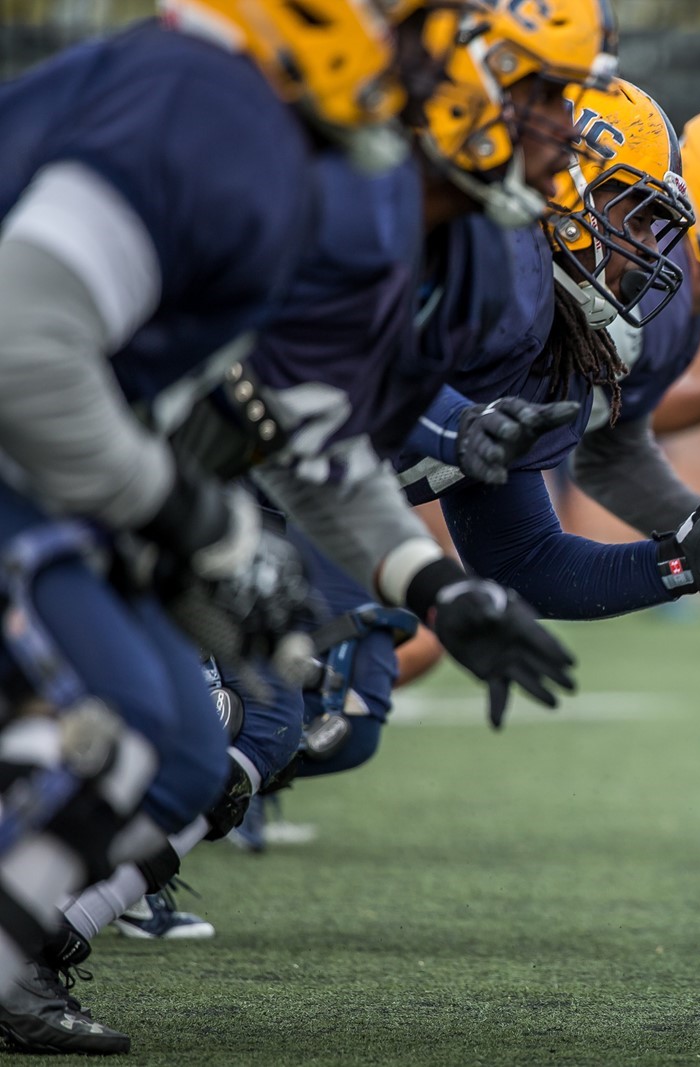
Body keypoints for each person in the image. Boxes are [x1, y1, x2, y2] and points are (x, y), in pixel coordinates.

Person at [0, 0, 402, 1051]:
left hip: (49, 455)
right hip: (30, 449)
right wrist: (194, 520)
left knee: (184, 750)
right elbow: (23, 345)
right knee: (106, 734)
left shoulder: (254, 127)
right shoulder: (207, 100)